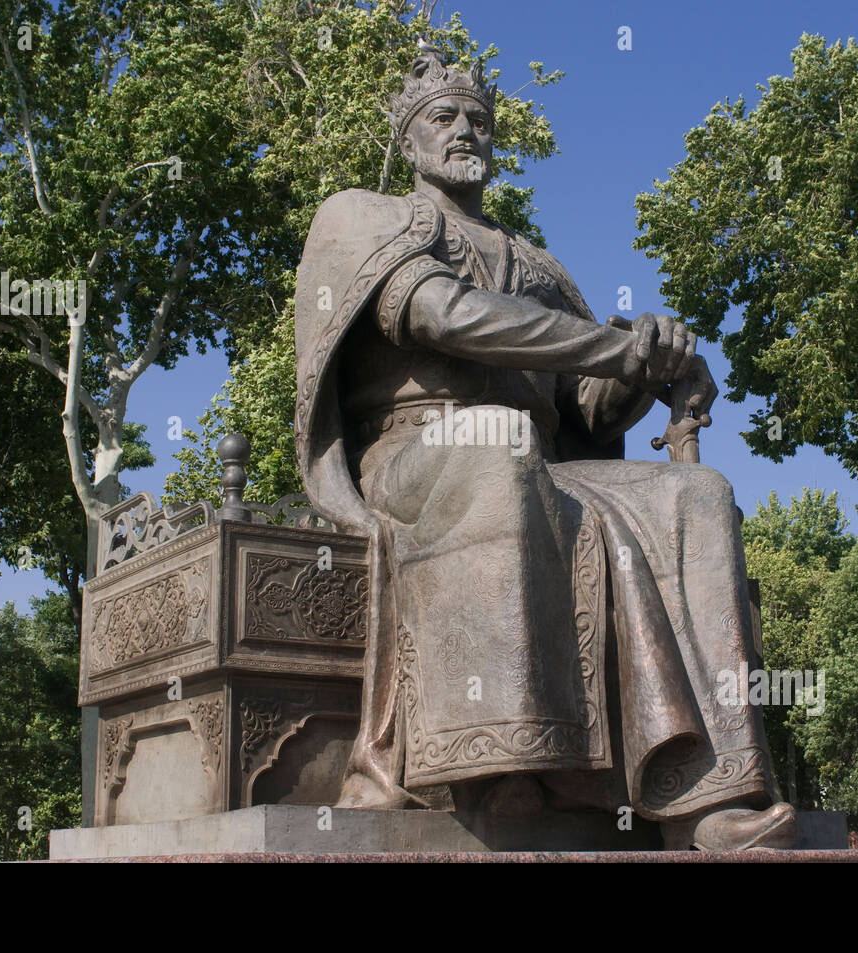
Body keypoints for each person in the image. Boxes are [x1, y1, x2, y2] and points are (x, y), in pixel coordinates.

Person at [293, 44, 796, 849]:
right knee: (503, 444)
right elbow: (444, 316)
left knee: (696, 495)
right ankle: (501, 763)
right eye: (444, 118)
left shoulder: (537, 263)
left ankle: (706, 796)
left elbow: (589, 412)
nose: (466, 132)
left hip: (543, 467)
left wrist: (649, 357)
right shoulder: (363, 216)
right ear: (409, 139)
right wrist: (609, 347)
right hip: (415, 458)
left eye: (480, 121)